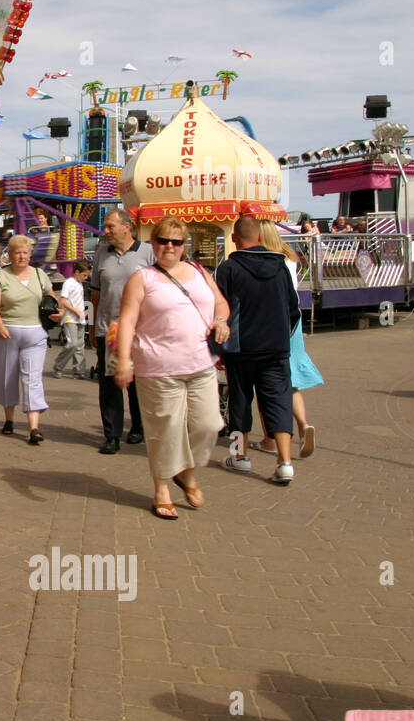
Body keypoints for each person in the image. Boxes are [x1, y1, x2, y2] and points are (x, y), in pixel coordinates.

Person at [114, 218, 230, 519]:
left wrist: (221, 321)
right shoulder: (142, 279)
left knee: (208, 425)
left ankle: (186, 472)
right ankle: (162, 489)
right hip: (157, 367)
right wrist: (124, 361)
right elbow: (127, 321)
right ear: (154, 243)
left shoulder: (197, 271)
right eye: (163, 240)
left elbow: (221, 304)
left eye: (176, 242)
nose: (169, 247)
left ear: (184, 245)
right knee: (165, 431)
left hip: (201, 364)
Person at [214, 216, 302, 484]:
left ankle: (240, 457)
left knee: (240, 401)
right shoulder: (281, 267)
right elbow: (293, 309)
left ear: (234, 239)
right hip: (275, 348)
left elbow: (219, 310)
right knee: (278, 400)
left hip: (241, 349)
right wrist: (281, 337)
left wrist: (220, 349)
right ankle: (284, 461)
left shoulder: (227, 268)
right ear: (261, 238)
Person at [252, 221, 321, 458]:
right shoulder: (288, 257)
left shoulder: (265, 261)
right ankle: (303, 424)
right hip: (293, 320)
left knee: (265, 382)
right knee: (291, 382)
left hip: (270, 323)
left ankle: (269, 438)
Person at [91, 208, 155, 454]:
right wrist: (92, 327)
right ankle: (112, 435)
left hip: (141, 330)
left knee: (138, 383)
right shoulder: (101, 254)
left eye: (110, 227)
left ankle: (138, 427)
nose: (105, 231)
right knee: (109, 385)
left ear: (127, 226)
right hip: (109, 329)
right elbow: (96, 293)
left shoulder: (147, 253)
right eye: (105, 227)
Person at [0, 234, 53, 444]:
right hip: (8, 333)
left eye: (25, 252)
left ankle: (34, 427)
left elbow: (51, 297)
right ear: (10, 255)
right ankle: (9, 419)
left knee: (32, 379)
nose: (22, 256)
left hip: (35, 333)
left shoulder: (40, 274)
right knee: (7, 377)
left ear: (30, 254)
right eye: (17, 253)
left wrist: (58, 309)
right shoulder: (0, 277)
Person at [52, 260, 91, 378]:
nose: (86, 278)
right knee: (72, 344)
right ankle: (58, 366)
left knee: (80, 345)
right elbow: (63, 300)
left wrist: (82, 312)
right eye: (84, 275)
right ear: (77, 272)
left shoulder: (79, 284)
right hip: (70, 318)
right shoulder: (69, 282)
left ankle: (79, 370)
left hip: (79, 318)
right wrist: (76, 311)